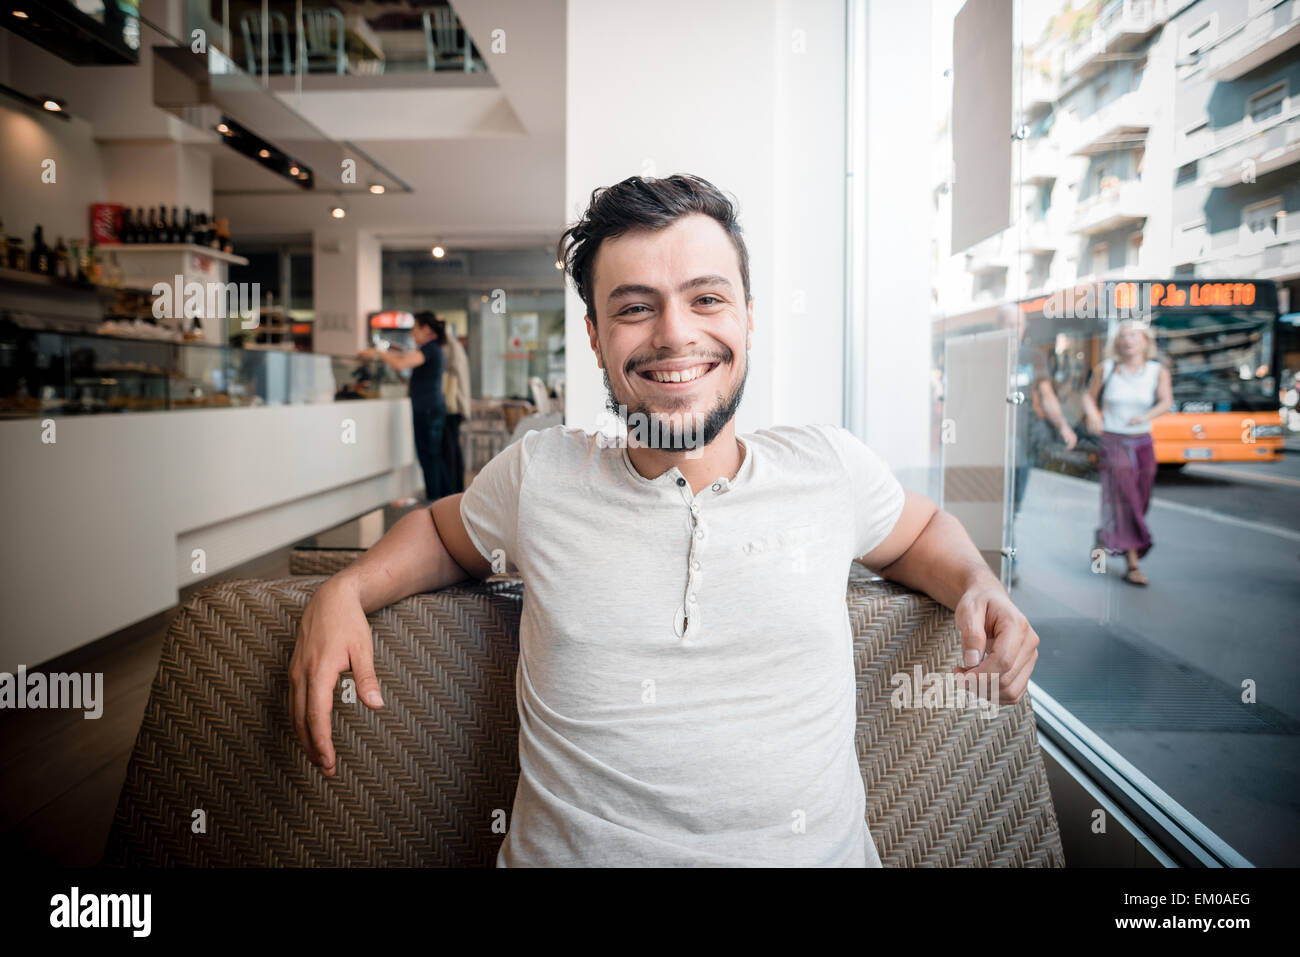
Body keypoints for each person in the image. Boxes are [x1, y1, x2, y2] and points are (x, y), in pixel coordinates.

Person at [294, 173, 1041, 867]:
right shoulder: (540, 476)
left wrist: (978, 580)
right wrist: (343, 591)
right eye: (634, 306)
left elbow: (916, 531)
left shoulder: (829, 468)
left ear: (749, 317)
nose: (674, 334)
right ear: (594, 336)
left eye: (707, 299)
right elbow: (438, 533)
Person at [1080, 320, 1172, 586]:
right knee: (1127, 499)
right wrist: (1093, 415)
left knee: (1141, 499)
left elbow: (1166, 401)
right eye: (1123, 336)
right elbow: (1088, 396)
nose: (1127, 340)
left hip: (1143, 441)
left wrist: (1146, 415)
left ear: (1145, 341)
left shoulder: (1157, 371)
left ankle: (1105, 534)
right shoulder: (1107, 369)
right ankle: (1133, 563)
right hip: (1113, 441)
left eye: (1133, 335)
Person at [359, 313, 449, 503]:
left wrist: (378, 353)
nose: (412, 332)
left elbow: (401, 364)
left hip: (428, 409)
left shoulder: (431, 349)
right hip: (429, 407)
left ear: (426, 329)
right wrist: (387, 352)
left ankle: (435, 499)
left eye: (415, 327)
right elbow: (404, 356)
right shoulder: (430, 348)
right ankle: (438, 498)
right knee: (430, 454)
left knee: (429, 455)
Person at [432, 315, 471, 494]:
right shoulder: (454, 345)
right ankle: (456, 489)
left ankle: (452, 490)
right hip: (457, 404)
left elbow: (445, 375)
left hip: (451, 405)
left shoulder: (447, 348)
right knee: (453, 448)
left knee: (450, 450)